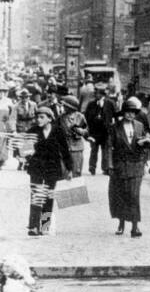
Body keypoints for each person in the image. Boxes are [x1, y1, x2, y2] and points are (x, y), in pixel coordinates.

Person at [22, 106, 73, 236]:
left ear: (49, 118)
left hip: (52, 168)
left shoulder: (58, 132)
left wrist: (70, 168)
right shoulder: (32, 131)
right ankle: (33, 227)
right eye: (37, 117)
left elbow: (65, 151)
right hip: (36, 168)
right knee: (36, 196)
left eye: (42, 117)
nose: (38, 120)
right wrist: (27, 155)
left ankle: (45, 226)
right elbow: (24, 150)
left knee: (49, 196)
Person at [108, 96, 150, 237]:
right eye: (128, 111)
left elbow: (146, 145)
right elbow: (109, 147)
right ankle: (121, 224)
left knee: (134, 196)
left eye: (133, 112)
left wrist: (144, 146)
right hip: (120, 165)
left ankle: (135, 226)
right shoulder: (115, 127)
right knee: (121, 195)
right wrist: (110, 165)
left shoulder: (139, 126)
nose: (130, 114)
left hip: (136, 165)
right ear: (123, 112)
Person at [84, 83, 117, 175]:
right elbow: (86, 117)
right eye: (96, 93)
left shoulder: (110, 103)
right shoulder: (91, 104)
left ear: (103, 94)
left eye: (98, 93)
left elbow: (116, 116)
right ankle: (92, 167)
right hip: (94, 132)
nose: (96, 95)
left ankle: (105, 168)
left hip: (106, 131)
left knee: (105, 150)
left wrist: (113, 127)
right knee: (94, 149)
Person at [57, 96, 88, 177]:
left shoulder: (80, 116)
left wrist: (80, 131)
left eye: (65, 105)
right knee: (63, 172)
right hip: (64, 147)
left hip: (76, 147)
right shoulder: (61, 117)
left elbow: (87, 131)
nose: (63, 107)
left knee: (76, 172)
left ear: (70, 107)